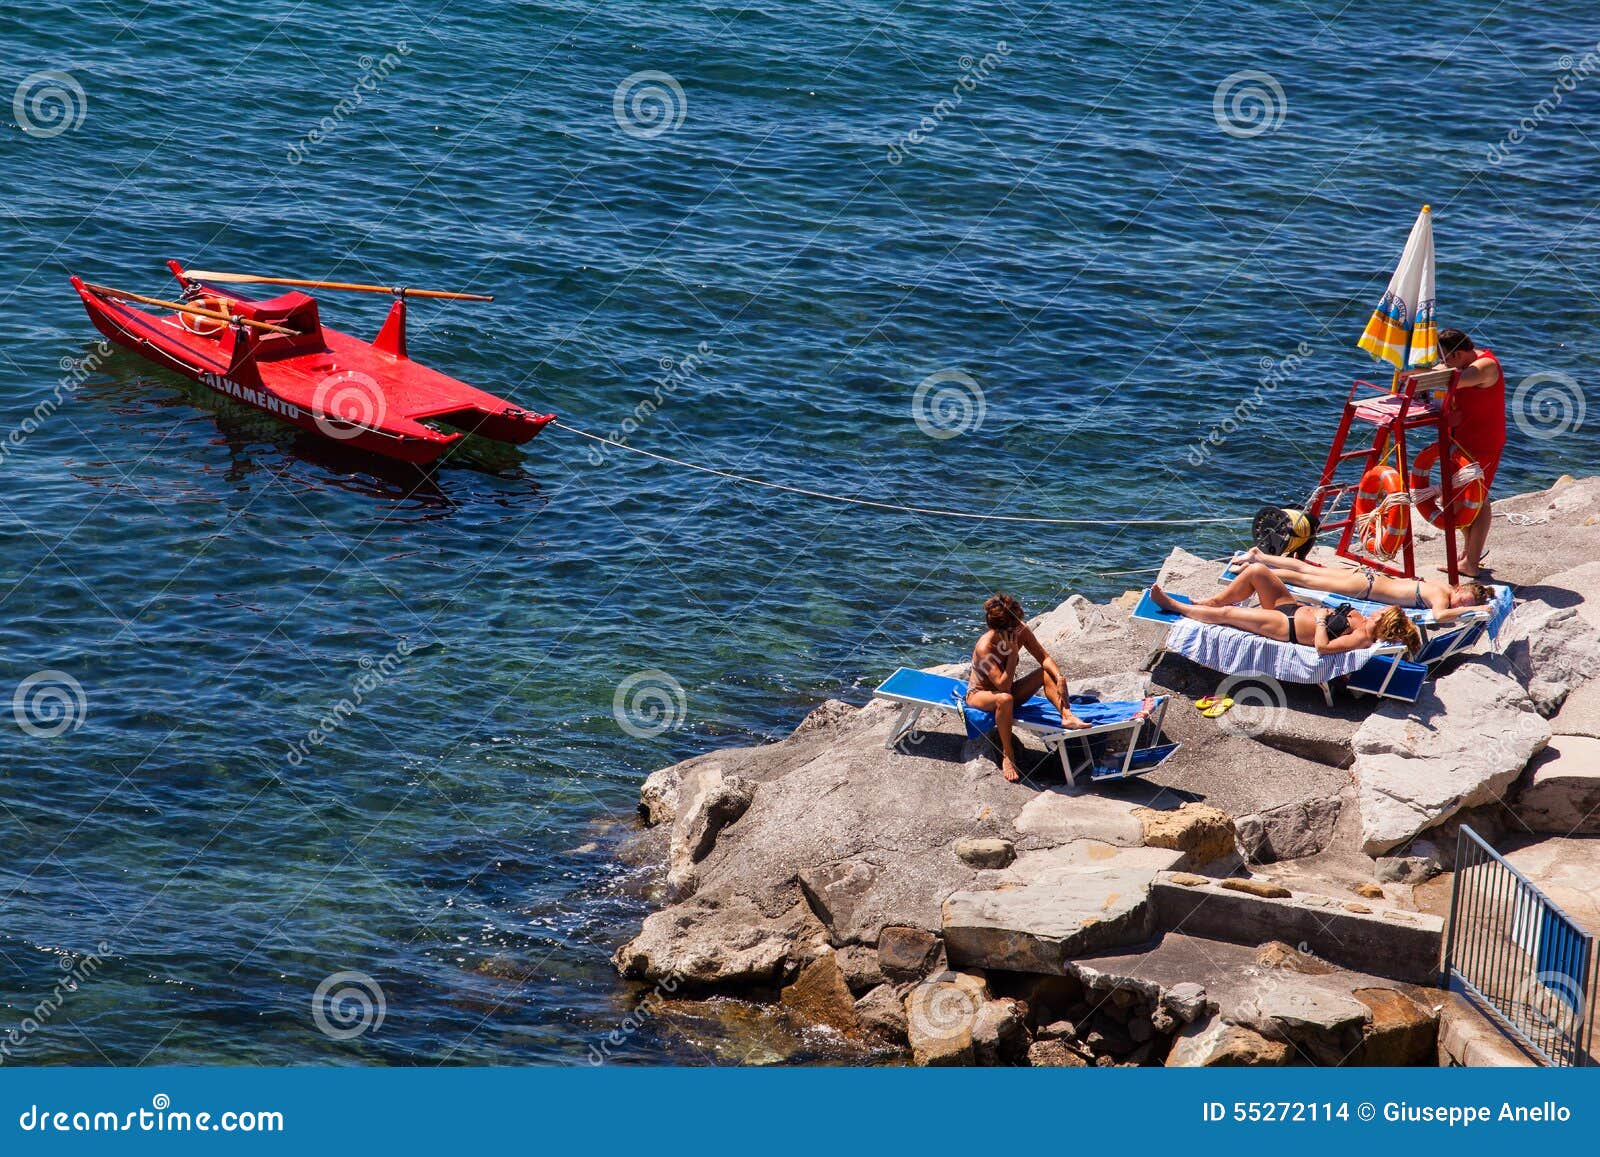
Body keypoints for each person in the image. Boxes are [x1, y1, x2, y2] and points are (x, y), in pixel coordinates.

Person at [966, 593, 1088, 783]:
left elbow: (1044, 658)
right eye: (1014, 627)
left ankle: (1067, 716)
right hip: (980, 695)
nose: (1018, 629)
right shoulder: (986, 647)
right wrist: (1012, 654)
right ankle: (1008, 754)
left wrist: (1059, 677)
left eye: (1018, 624)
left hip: (1007, 692)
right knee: (1004, 699)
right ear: (1000, 630)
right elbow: (1003, 687)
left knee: (1044, 673)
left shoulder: (1020, 630)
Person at [1149, 577, 1421, 657]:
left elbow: (1323, 648)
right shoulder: (1363, 621)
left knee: (1228, 615)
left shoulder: (1362, 637)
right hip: (1290, 608)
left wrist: (1320, 621)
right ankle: (1211, 601)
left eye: (1382, 612)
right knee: (1257, 572)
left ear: (1383, 622)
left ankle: (1174, 606)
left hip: (1285, 626)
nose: (1378, 610)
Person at [1226, 550, 1492, 622]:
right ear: (1459, 590)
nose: (1459, 605)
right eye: (1462, 601)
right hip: (1363, 588)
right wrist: (1473, 610)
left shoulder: (1442, 585)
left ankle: (1258, 556)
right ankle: (1253, 570)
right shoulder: (1440, 595)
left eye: (1463, 605)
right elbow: (1440, 615)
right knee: (1303, 579)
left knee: (1308, 570)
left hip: (1365, 579)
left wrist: (1474, 603)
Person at [1436, 327, 1506, 578]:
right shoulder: (1461, 364)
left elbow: (1454, 380)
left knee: (1477, 498)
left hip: (1482, 443)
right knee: (1457, 499)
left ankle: (1471, 561)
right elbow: (1447, 375)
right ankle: (1470, 554)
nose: (1442, 363)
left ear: (1458, 354)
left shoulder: (1485, 366)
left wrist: (1421, 375)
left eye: (1445, 358)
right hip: (1462, 441)